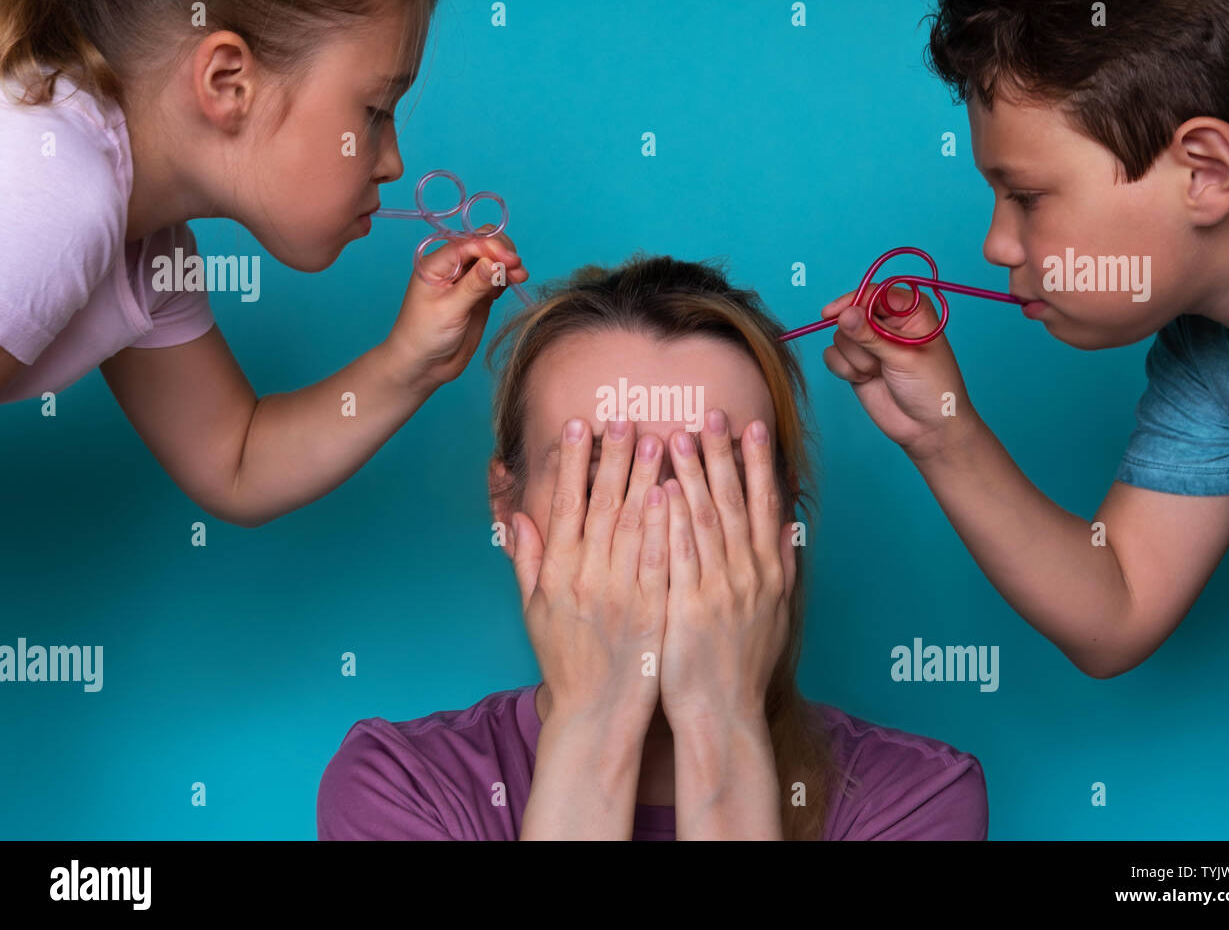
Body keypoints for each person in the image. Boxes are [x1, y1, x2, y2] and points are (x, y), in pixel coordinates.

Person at [317, 254, 988, 840]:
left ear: (784, 513)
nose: (659, 523)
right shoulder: (402, 790)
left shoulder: (913, 803)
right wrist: (595, 718)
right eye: (599, 473)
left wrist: (720, 718)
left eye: (710, 472)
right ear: (506, 504)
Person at [820, 0, 1229, 678]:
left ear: (1205, 172)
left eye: (1026, 197)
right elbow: (1120, 607)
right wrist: (942, 434)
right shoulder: (1216, 355)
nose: (997, 246)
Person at [0, 0, 526, 526]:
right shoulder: (53, 191)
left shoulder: (152, 255)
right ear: (229, 83)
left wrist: (411, 363)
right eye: (374, 111)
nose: (393, 163)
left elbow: (237, 461)